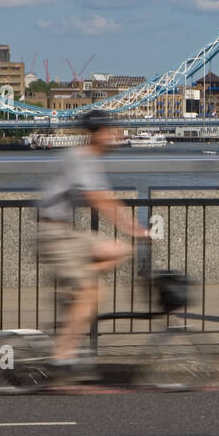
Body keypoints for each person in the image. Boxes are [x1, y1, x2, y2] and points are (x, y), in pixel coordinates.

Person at [37, 111, 145, 366]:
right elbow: (100, 200)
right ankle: (62, 353)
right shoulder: (79, 158)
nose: (115, 137)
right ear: (96, 135)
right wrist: (135, 228)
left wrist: (134, 230)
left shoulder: (90, 160)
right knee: (93, 293)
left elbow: (106, 197)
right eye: (110, 132)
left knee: (121, 250)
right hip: (54, 235)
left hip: (68, 233)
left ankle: (73, 290)